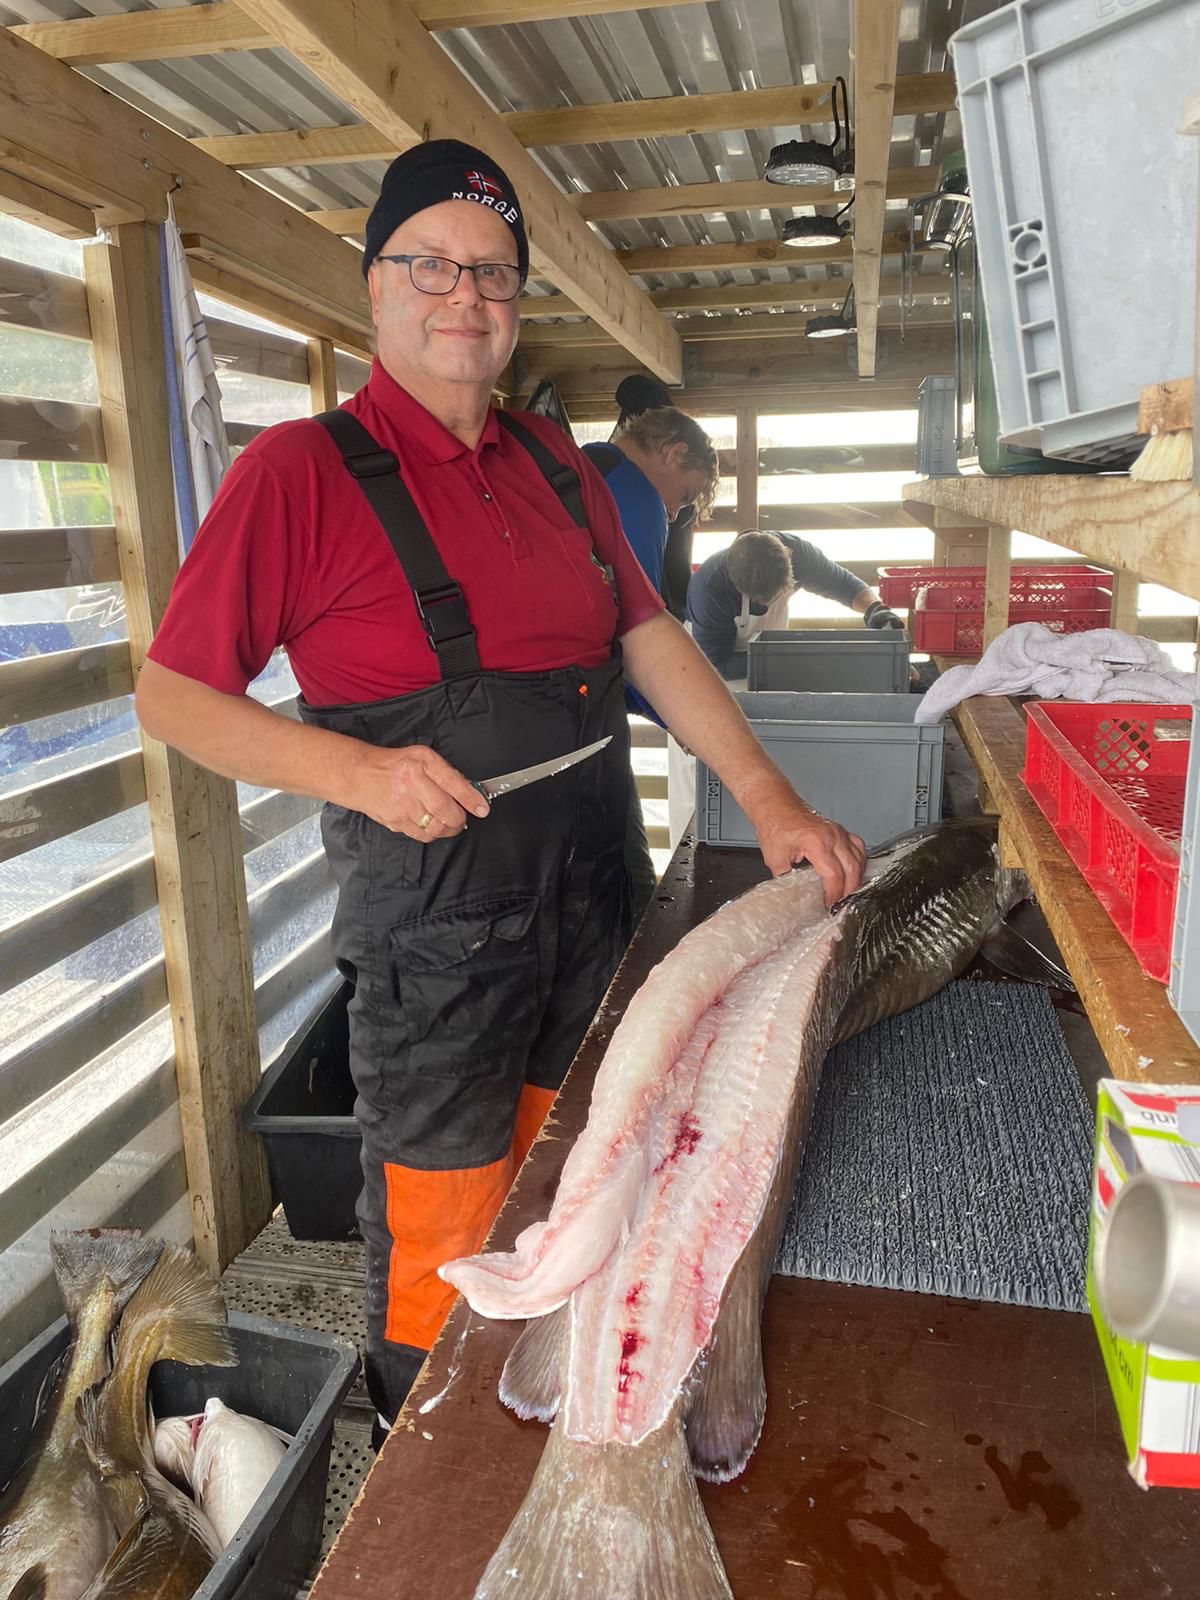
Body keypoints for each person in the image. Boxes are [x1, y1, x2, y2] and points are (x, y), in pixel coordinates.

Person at [134, 137, 866, 1438]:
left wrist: (769, 802)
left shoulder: (553, 458)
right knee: (441, 1225)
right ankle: (424, 1467)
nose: (463, 296)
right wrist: (351, 768)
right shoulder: (295, 478)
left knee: (582, 1164)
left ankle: (548, 1412)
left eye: (493, 274)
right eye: (431, 265)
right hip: (440, 927)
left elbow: (648, 638)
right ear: (375, 286)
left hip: (595, 883)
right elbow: (175, 698)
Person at [688, 528, 904, 680]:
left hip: (766, 657)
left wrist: (874, 610)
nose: (768, 605)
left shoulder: (798, 553)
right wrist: (788, 657)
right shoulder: (709, 590)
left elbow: (844, 585)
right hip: (711, 669)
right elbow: (716, 665)